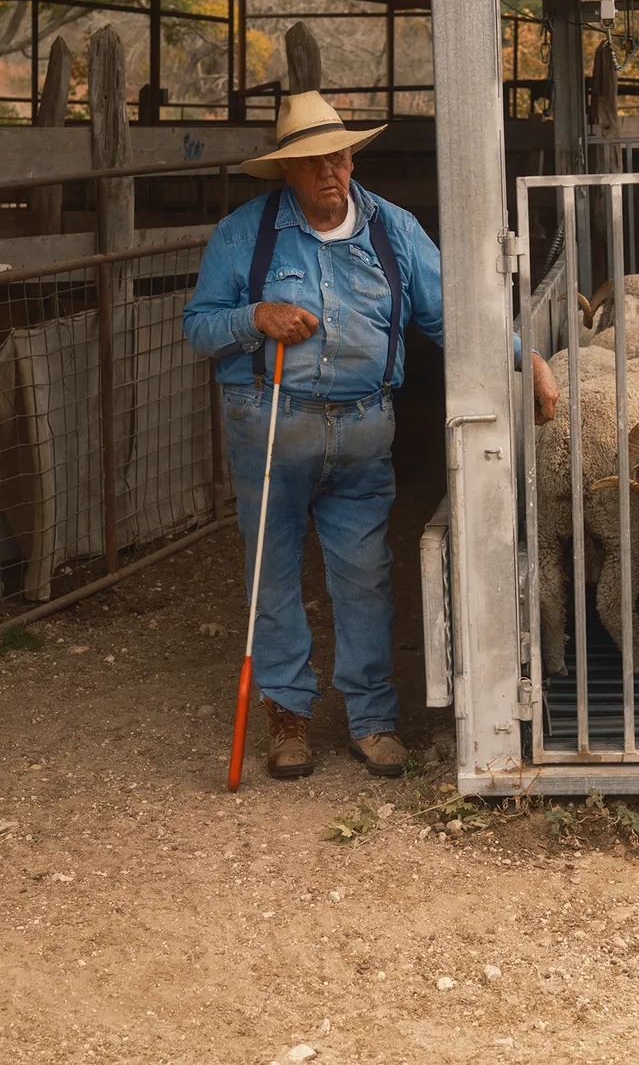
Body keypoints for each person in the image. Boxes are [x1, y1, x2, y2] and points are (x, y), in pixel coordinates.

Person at [183, 90, 560, 780]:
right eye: (314, 161)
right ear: (286, 172)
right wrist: (254, 316)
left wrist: (522, 355)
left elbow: (453, 317)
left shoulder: (394, 230)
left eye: (342, 154)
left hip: (362, 430)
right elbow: (198, 325)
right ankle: (288, 719)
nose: (333, 170)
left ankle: (372, 719)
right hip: (271, 427)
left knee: (365, 577)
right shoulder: (246, 235)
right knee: (272, 572)